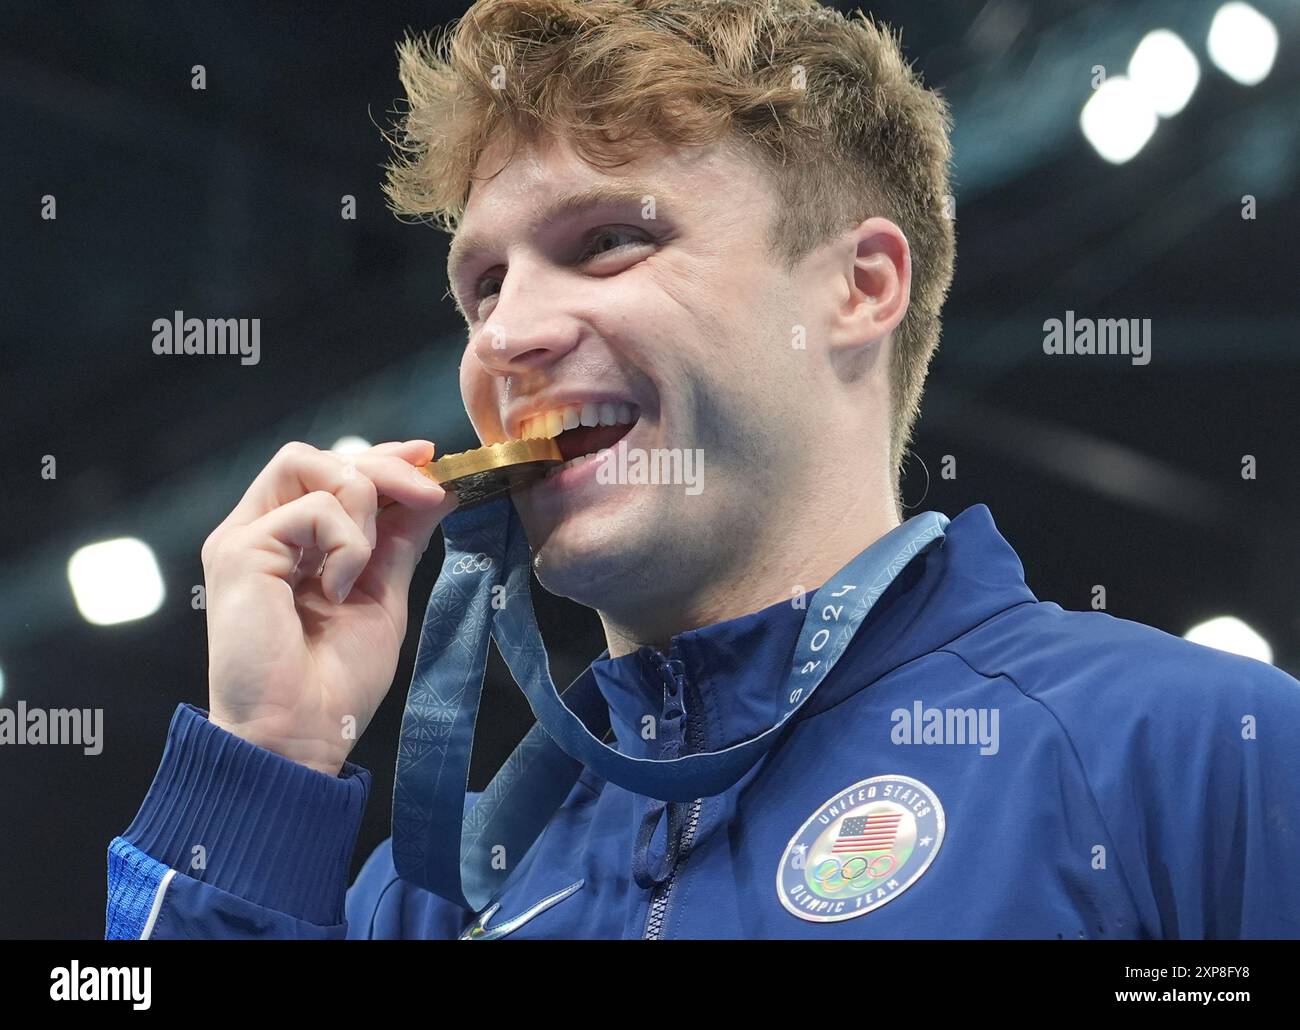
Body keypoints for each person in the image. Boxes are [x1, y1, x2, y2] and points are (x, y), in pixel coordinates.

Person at [106, 0, 1300, 940]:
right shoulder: (430, 898)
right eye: (482, 283)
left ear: (857, 287)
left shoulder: (1195, 753)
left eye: (609, 239)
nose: (503, 337)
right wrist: (262, 762)